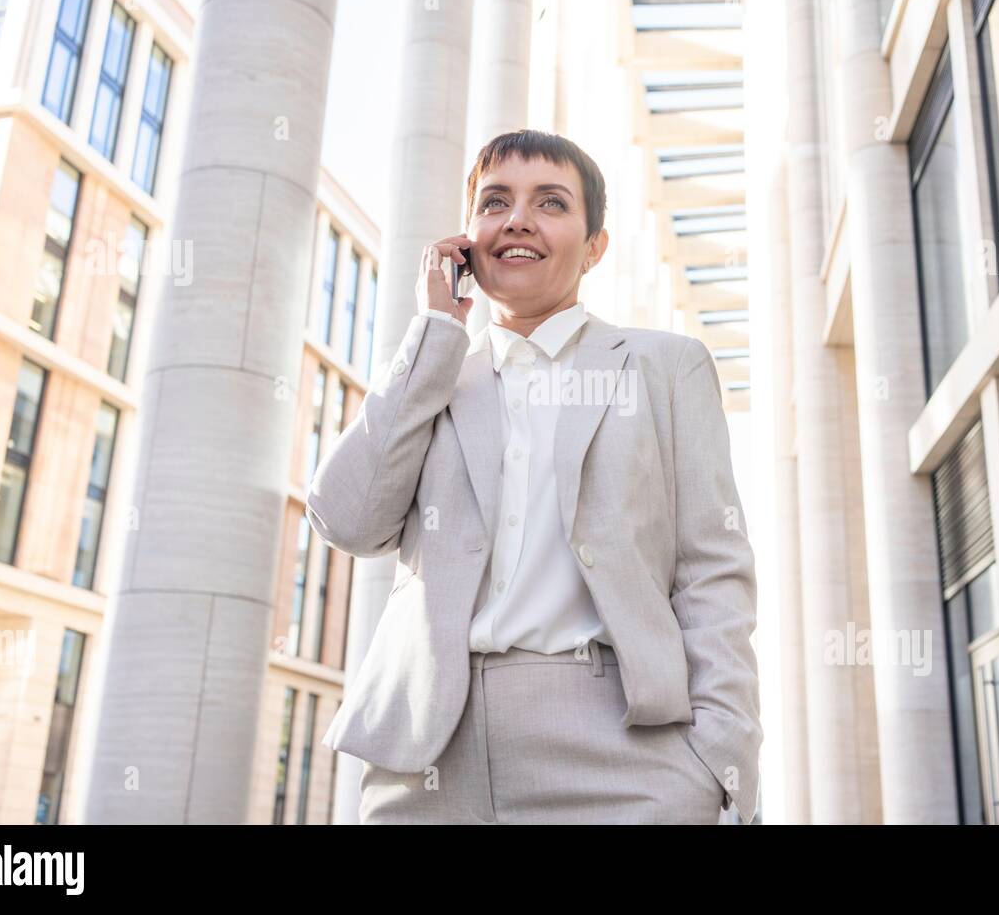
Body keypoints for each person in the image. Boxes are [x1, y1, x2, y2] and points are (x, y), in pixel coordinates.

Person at [309, 129, 762, 824]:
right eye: (495, 202)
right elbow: (347, 519)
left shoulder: (667, 367)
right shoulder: (433, 375)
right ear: (466, 240)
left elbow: (713, 575)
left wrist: (718, 763)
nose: (518, 218)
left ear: (594, 247)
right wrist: (435, 329)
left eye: (551, 202)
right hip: (431, 756)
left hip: (624, 751)